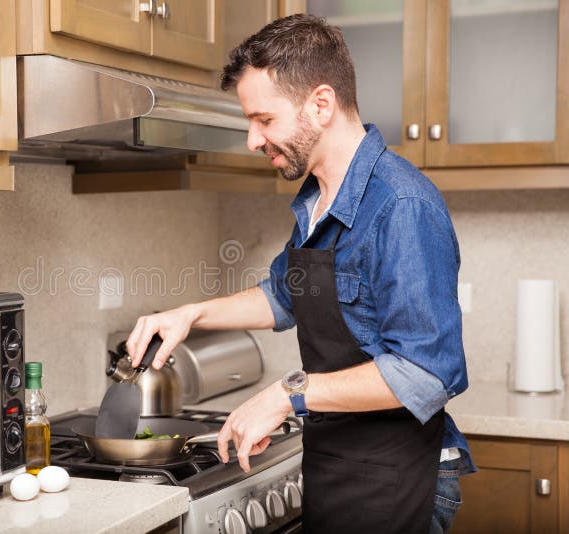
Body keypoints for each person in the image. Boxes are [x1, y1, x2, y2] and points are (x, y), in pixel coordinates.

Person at [125, 13, 474, 534]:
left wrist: (286, 394)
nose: (251, 139)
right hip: (339, 463)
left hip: (399, 475)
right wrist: (188, 314)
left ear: (322, 103)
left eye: (264, 120)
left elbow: (425, 374)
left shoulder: (401, 205)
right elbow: (284, 296)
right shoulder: (317, 198)